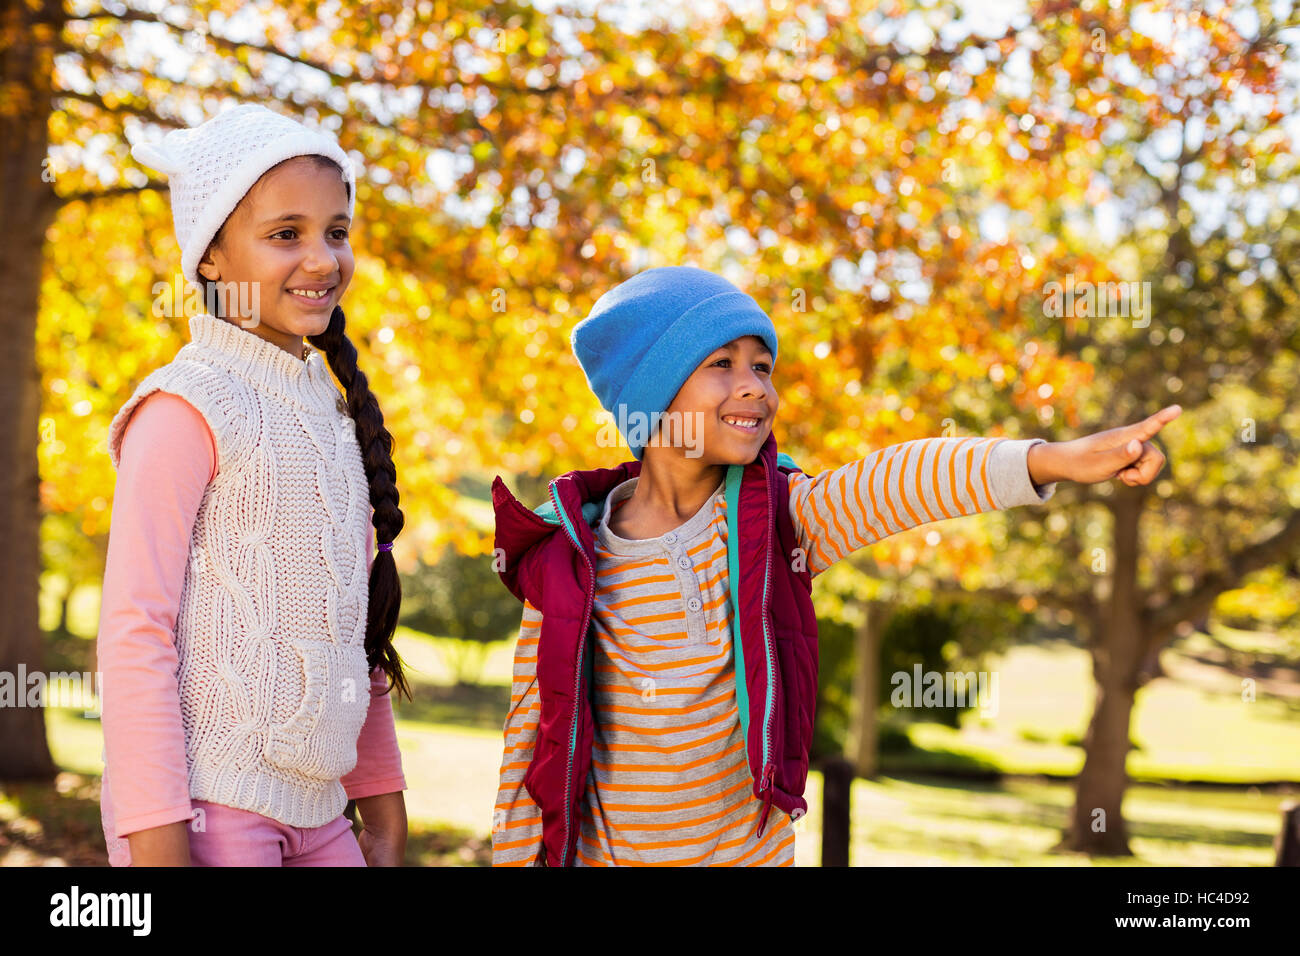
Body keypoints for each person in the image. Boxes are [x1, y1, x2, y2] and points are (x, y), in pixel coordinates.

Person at [489, 265, 1179, 866]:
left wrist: (1052, 459)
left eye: (763, 366)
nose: (756, 387)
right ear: (649, 399)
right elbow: (533, 736)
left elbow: (902, 478)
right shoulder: (570, 556)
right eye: (721, 364)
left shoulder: (780, 518)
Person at [97, 104, 408, 866]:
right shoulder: (185, 407)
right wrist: (157, 835)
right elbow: (134, 632)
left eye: (337, 231)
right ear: (211, 258)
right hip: (212, 810)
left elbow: (349, 622)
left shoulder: (338, 415)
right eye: (285, 235)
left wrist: (383, 801)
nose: (322, 259)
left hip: (325, 817)